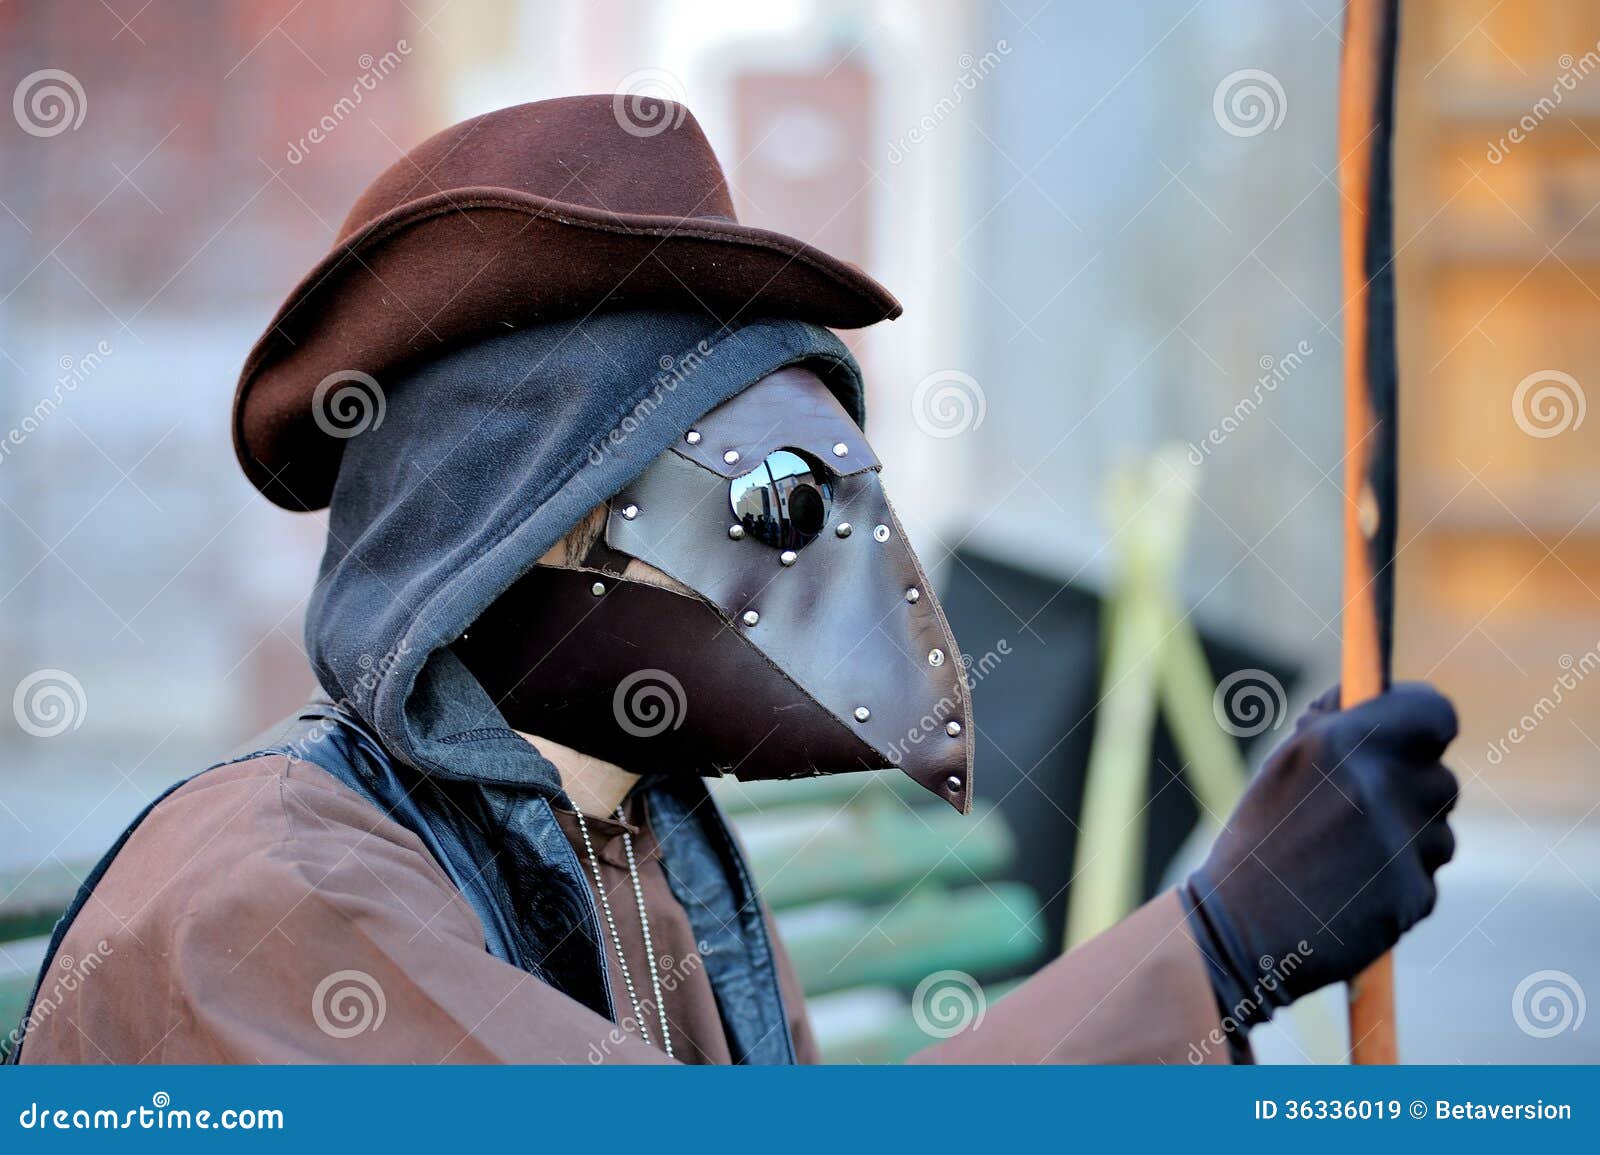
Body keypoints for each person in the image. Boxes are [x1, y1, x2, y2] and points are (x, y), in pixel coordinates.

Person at [8, 97, 1458, 1065]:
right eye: (770, 500)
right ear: (533, 530)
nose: (835, 565)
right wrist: (1216, 945)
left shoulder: (631, 842)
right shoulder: (275, 900)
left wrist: (1225, 950)